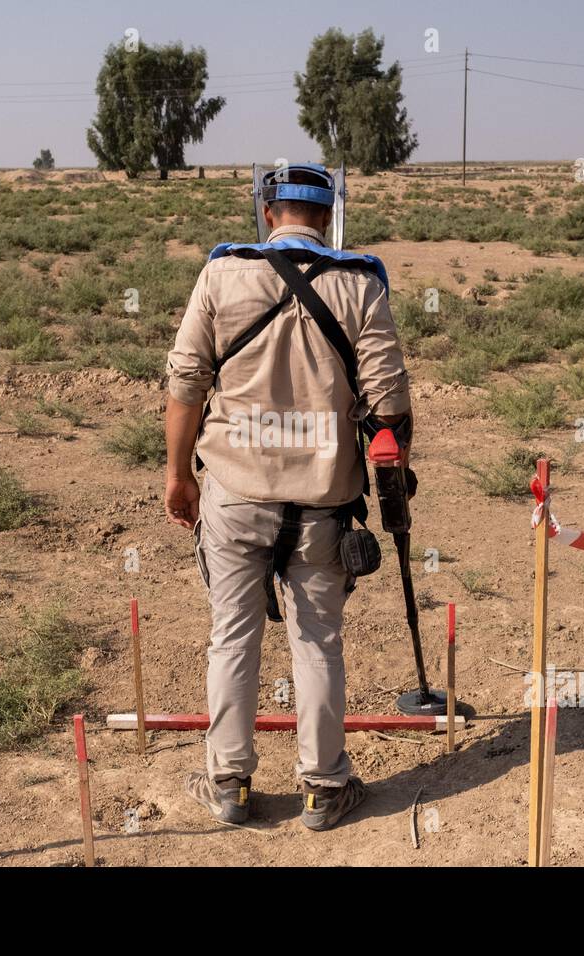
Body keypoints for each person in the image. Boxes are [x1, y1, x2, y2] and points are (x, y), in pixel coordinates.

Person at [164, 163, 412, 831]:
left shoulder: (221, 274)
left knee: (232, 638)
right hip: (323, 503)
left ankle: (229, 784)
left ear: (269, 214)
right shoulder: (361, 285)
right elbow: (389, 406)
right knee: (318, 642)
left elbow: (186, 380)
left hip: (234, 491)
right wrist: (395, 489)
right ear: (327, 217)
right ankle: (325, 788)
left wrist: (177, 474)